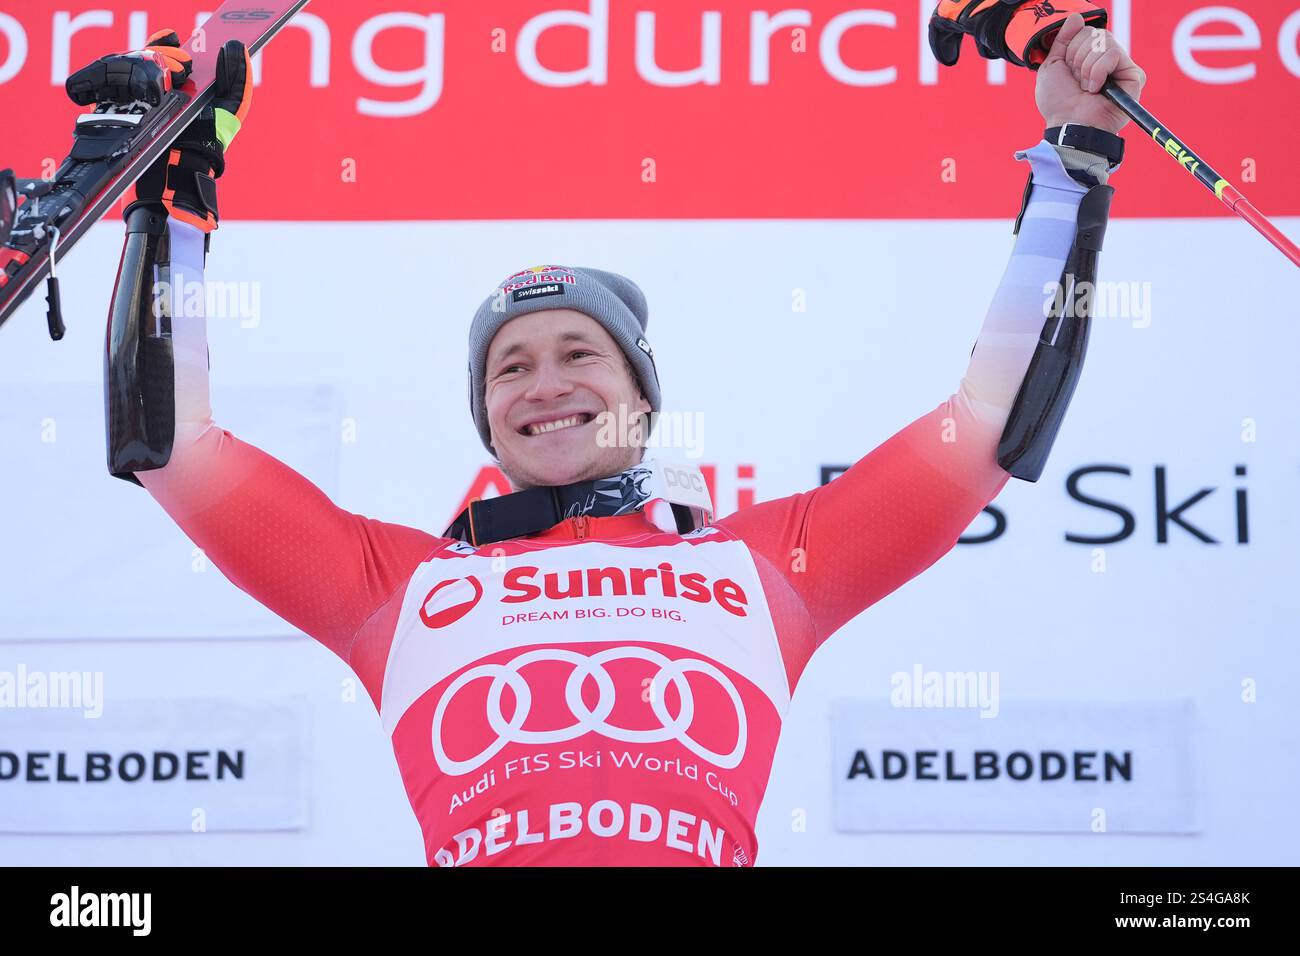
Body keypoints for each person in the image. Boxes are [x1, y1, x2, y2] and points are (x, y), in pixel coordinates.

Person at [95, 14, 1144, 866]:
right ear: (486, 414)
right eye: (510, 367)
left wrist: (1073, 161)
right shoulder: (392, 586)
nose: (544, 384)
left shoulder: (768, 567)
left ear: (643, 397)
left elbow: (990, 419)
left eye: (578, 354)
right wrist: (175, 203)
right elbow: (172, 444)